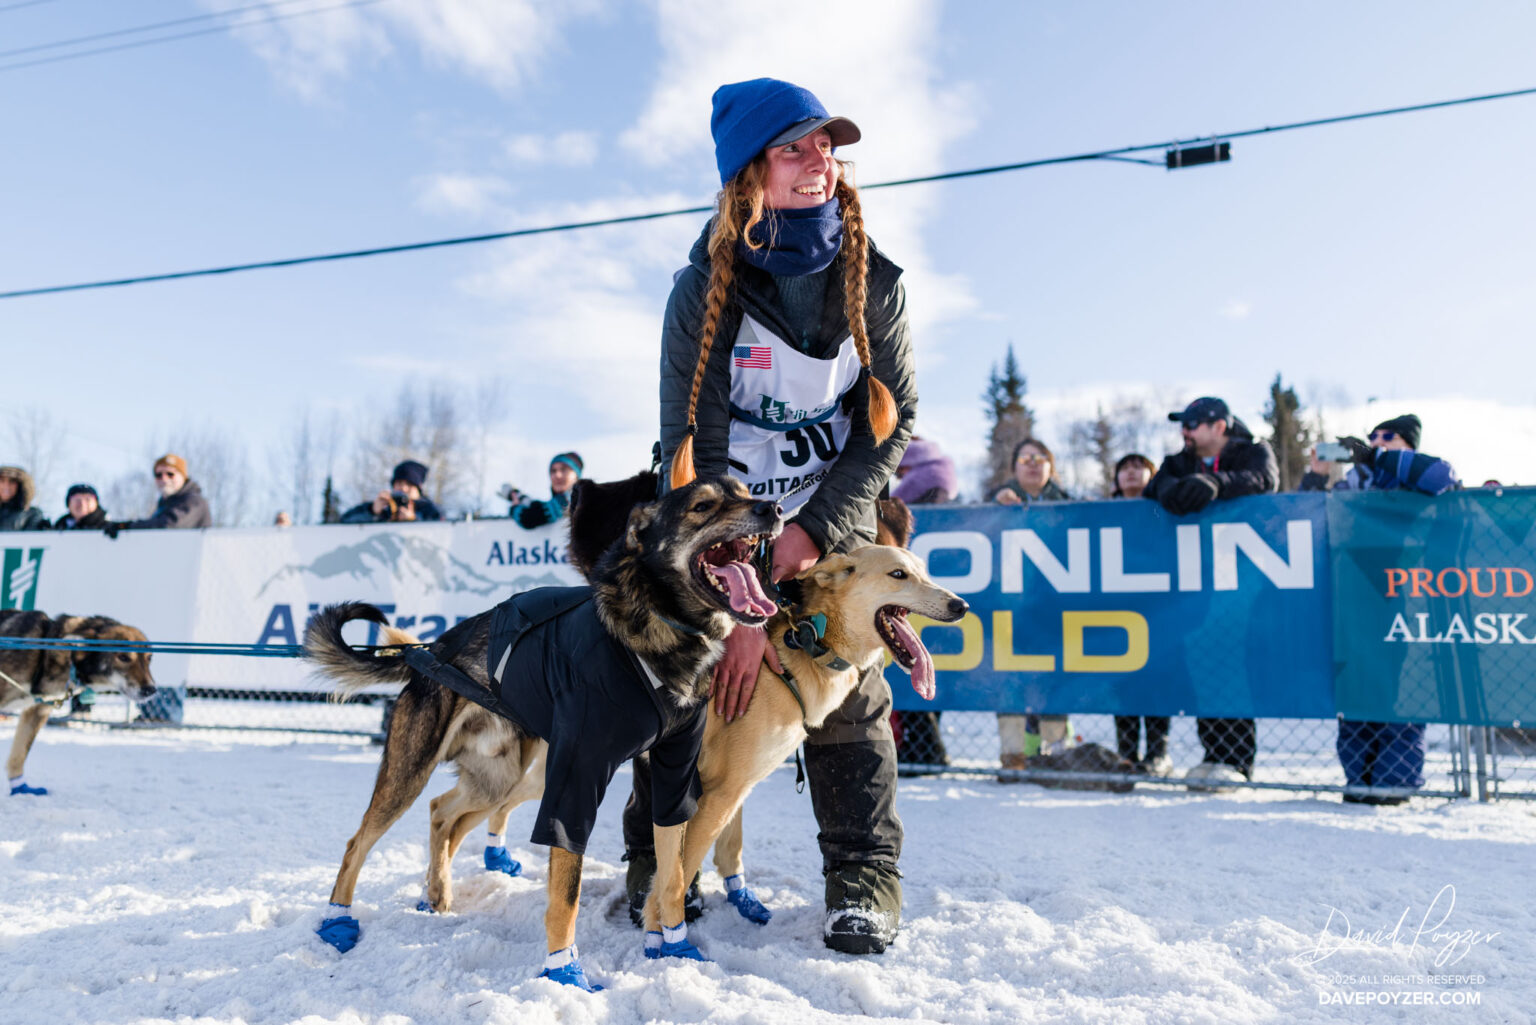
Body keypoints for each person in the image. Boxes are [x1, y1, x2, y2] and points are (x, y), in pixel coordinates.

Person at [633, 77, 918, 956]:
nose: (817, 160)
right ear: (747, 175)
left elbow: (891, 425)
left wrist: (811, 535)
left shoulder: (875, 281)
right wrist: (743, 600)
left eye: (825, 145)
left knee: (846, 687)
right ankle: (656, 864)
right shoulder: (703, 292)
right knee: (689, 687)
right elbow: (693, 448)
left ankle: (862, 879)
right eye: (794, 147)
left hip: (828, 519)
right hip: (722, 529)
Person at [1302, 413, 1459, 804]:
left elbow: (1443, 478)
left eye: (1387, 436)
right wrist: (1316, 473)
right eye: (1371, 437)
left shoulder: (1417, 473)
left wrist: (1376, 456)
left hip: (1406, 592)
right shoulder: (1354, 483)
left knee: (1399, 689)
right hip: (1352, 598)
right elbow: (1304, 514)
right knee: (1355, 686)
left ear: (1408, 442)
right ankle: (1360, 778)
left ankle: (1394, 780)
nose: (1377, 441)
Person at [1145, 397, 1278, 787]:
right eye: (1182, 425)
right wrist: (1171, 490)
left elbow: (1263, 481)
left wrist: (1217, 484)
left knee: (1232, 658)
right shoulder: (1179, 461)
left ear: (1219, 426)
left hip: (1243, 577)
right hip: (1195, 579)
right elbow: (1158, 485)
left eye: (1192, 424)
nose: (1185, 432)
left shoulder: (1252, 450)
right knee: (1204, 658)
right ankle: (1213, 752)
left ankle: (1237, 759)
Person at [106, 454, 213, 722]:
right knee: (158, 646)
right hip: (164, 586)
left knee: (173, 647)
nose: (163, 479)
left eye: (170, 474)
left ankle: (167, 712)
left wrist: (129, 526)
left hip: (185, 587)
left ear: (183, 477)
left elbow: (168, 527)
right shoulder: (165, 504)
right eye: (159, 474)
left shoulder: (193, 503)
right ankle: (152, 711)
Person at [992, 439, 1074, 776]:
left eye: (1041, 458)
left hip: (1055, 612)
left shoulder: (1070, 506)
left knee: (1055, 679)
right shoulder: (995, 503)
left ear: (1051, 467)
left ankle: (1056, 752)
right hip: (1010, 611)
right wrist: (994, 506)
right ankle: (1013, 754)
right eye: (1025, 458)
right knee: (1010, 679)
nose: (1033, 464)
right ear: (1014, 468)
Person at [890, 437, 956, 769]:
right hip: (927, 590)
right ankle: (926, 750)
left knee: (911, 667)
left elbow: (891, 503)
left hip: (912, 588)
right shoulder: (943, 471)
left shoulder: (916, 485)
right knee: (924, 668)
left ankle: (927, 751)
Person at [1107, 454, 1171, 774]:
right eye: (1124, 468)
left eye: (1138, 467)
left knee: (1156, 680)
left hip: (1157, 609)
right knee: (1124, 680)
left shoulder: (1164, 509)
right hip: (1117, 612)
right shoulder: (1100, 512)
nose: (1131, 473)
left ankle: (1158, 752)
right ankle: (1127, 753)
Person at [338, 460, 442, 523]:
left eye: (409, 484)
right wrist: (373, 512)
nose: (404, 488)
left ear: (418, 488)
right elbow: (344, 521)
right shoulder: (385, 508)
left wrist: (413, 521)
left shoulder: (430, 511)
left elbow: (441, 533)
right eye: (399, 483)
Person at [503, 452, 583, 528]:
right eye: (553, 471)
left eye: (564, 470)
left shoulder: (572, 501)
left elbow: (529, 518)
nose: (557, 475)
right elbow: (539, 508)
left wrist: (515, 508)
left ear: (576, 476)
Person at [0, 466, 50, 531]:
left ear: (21, 485)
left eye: (12, 482)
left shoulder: (31, 514)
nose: (6, 486)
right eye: (2, 481)